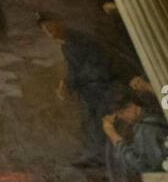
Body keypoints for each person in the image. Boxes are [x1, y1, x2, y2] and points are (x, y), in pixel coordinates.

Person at [38, 14, 118, 167]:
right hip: (88, 88)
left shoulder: (81, 41)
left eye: (50, 27)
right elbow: (74, 69)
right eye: (45, 30)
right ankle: (96, 154)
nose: (49, 32)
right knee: (89, 121)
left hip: (101, 86)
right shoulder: (67, 44)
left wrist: (70, 83)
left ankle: (104, 156)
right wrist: (66, 83)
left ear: (59, 22)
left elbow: (94, 68)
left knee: (99, 120)